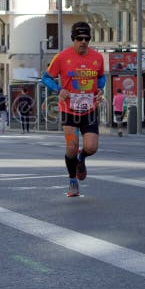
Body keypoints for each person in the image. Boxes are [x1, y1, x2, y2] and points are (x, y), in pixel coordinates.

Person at [41, 21, 106, 197]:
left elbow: (101, 78)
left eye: (86, 38)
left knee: (91, 147)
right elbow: (45, 78)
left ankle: (81, 158)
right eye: (79, 38)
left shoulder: (97, 57)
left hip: (89, 109)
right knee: (71, 146)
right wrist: (58, 89)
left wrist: (100, 89)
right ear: (73, 39)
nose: (83, 42)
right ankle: (72, 181)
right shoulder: (62, 57)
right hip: (69, 109)